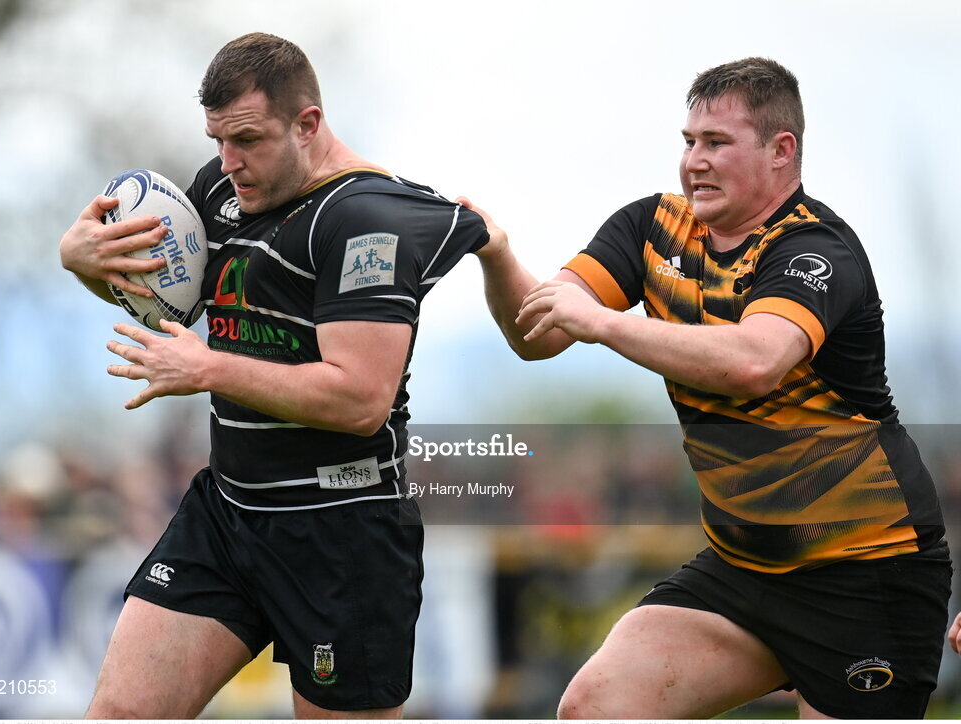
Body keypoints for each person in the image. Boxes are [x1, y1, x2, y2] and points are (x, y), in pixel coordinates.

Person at [465, 57, 952, 719]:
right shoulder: (651, 228)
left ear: (782, 151)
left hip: (866, 572)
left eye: (717, 143)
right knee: (596, 705)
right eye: (689, 141)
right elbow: (540, 335)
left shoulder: (814, 250)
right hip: (743, 567)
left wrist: (605, 325)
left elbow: (756, 361)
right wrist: (497, 256)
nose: (695, 160)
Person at [59, 33, 487, 719]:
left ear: (307, 124)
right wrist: (84, 261)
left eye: (249, 140)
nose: (227, 163)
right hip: (227, 513)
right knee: (119, 714)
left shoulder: (363, 220)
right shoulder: (225, 189)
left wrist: (207, 367)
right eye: (218, 140)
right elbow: (169, 301)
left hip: (341, 532)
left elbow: (360, 398)